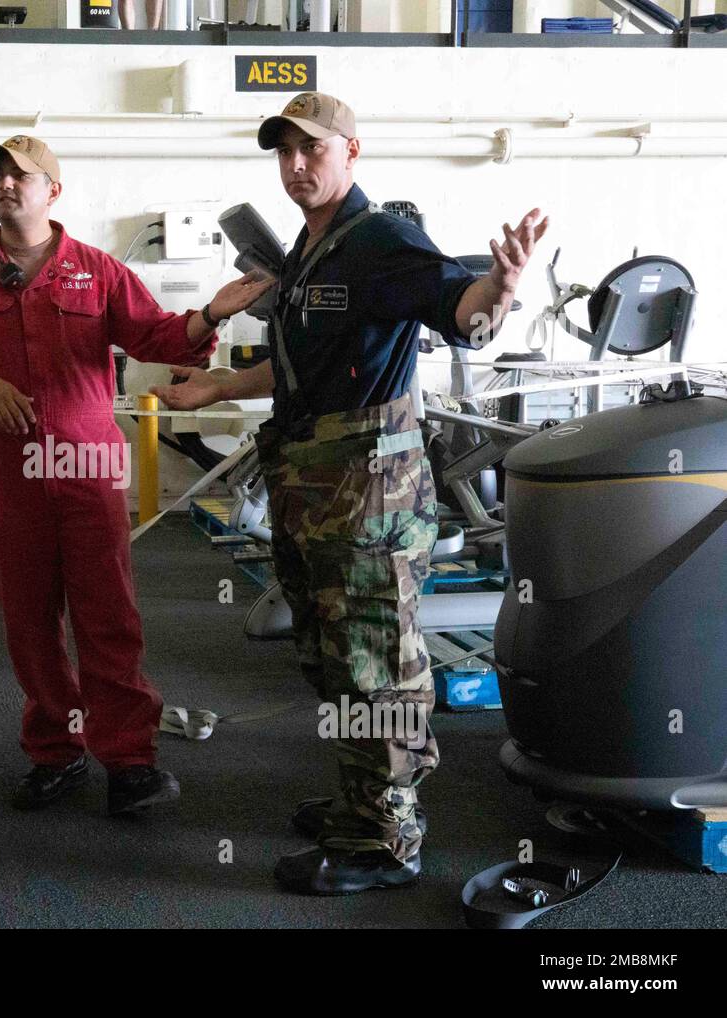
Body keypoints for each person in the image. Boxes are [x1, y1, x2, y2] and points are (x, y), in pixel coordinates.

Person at [153, 92, 548, 893]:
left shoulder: (381, 241)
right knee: (337, 660)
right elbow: (304, 363)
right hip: (314, 489)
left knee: (373, 665)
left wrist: (499, 288)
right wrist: (225, 381)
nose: (296, 166)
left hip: (365, 498)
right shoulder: (308, 248)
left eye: (312, 150)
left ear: (351, 151)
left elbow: (461, 314)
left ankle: (383, 841)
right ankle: (369, 792)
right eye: (284, 151)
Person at [0, 135, 273, 816]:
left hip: (85, 469)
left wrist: (215, 312)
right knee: (29, 623)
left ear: (53, 189)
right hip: (5, 475)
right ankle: (56, 751)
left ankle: (130, 761)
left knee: (107, 616)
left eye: (22, 176)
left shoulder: (99, 271)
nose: (6, 185)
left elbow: (160, 337)